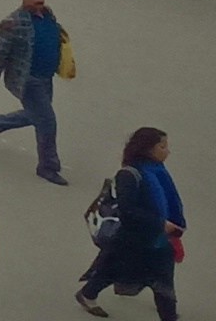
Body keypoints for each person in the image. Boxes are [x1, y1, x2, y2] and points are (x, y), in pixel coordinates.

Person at [78, 128, 181, 317]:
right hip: (133, 240)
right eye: (162, 146)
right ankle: (87, 294)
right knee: (115, 270)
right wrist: (160, 223)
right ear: (148, 149)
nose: (168, 151)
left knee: (161, 280)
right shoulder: (129, 175)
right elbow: (127, 211)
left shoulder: (157, 172)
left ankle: (169, 315)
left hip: (155, 240)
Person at [0, 0, 68, 184]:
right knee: (47, 121)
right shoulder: (13, 23)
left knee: (34, 115)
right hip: (28, 80)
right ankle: (47, 167)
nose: (40, 0)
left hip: (46, 77)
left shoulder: (48, 14)